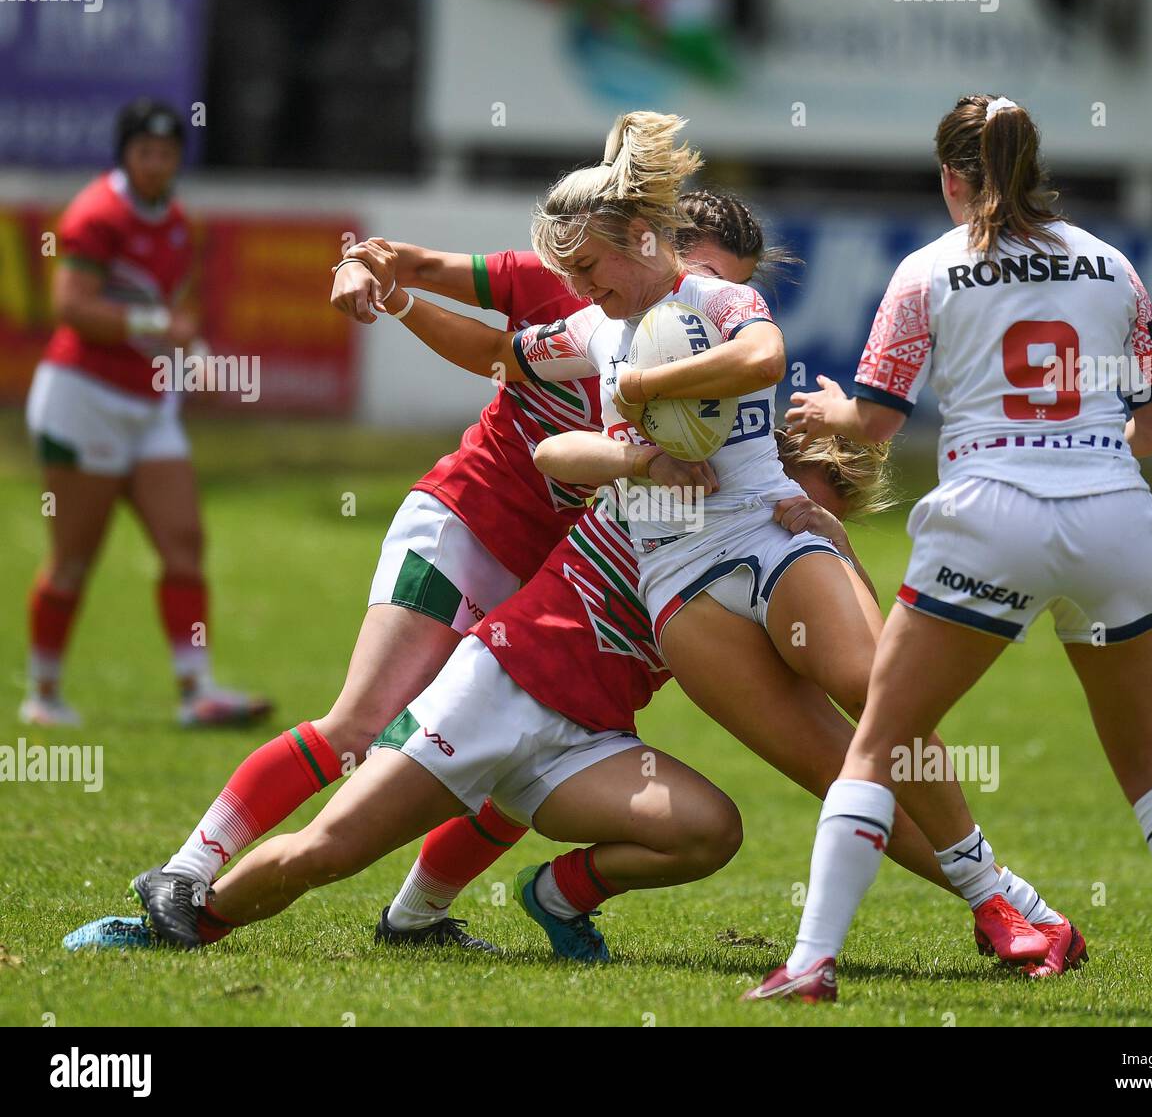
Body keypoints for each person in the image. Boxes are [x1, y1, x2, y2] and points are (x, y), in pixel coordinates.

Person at [372, 109, 1079, 972]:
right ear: (657, 240)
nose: (594, 283)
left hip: (763, 539)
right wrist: (401, 295)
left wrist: (649, 393)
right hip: (675, 584)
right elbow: (500, 354)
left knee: (884, 703)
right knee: (834, 770)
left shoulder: (713, 305)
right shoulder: (596, 313)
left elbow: (760, 364)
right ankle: (1000, 904)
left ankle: (1007, 907)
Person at [128, 187, 781, 951]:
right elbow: (448, 307)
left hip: (547, 564)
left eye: (732, 286)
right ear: (653, 244)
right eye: (704, 271)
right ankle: (186, 869)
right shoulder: (571, 287)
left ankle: (416, 920)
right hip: (468, 522)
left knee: (522, 755)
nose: (713, 301)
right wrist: (368, 275)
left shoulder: (707, 358)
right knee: (361, 724)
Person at [752, 94, 1152, 1010]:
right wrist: (1088, 453)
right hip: (1114, 519)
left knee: (878, 745)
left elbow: (876, 424)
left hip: (988, 516)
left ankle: (810, 963)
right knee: (1148, 756)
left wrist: (827, 411)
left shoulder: (927, 270)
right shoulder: (1112, 265)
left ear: (952, 178)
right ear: (1033, 167)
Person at [21, 97, 269, 728]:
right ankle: (43, 693)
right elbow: (71, 307)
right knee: (76, 555)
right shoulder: (96, 214)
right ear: (125, 155)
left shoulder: (181, 224)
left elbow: (176, 318)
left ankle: (197, 691)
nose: (157, 164)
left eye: (166, 153)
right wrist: (157, 324)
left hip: (149, 404)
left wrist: (200, 356)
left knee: (184, 542)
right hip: (84, 400)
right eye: (144, 152)